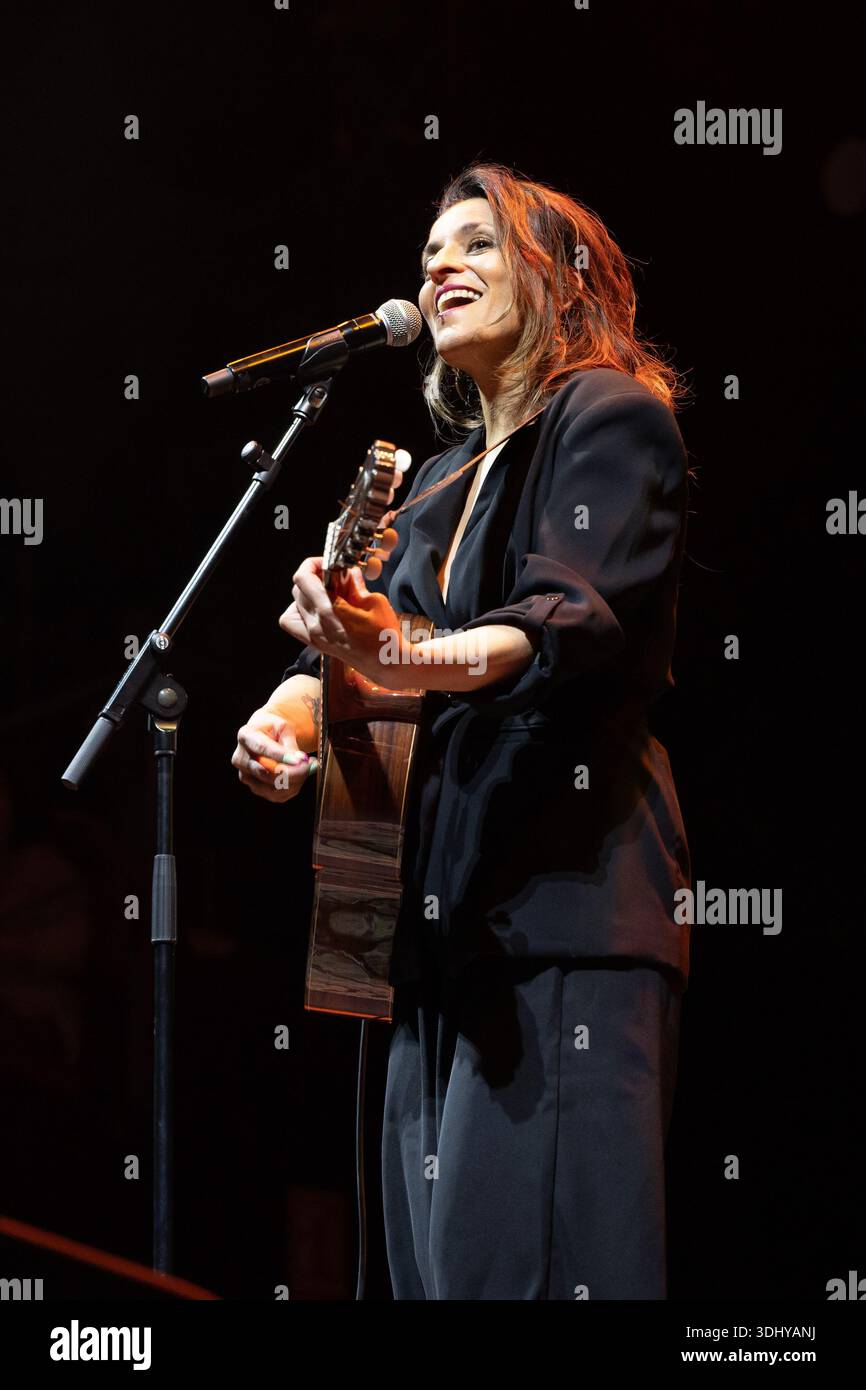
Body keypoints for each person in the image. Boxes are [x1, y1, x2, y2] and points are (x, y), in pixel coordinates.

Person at [232, 162, 692, 1300]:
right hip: (426, 944)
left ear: (556, 280)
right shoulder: (431, 482)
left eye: (478, 244)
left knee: (531, 1272)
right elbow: (344, 659)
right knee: (437, 1276)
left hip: (554, 913)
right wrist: (283, 718)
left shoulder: (608, 415)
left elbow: (555, 621)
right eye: (431, 250)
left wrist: (399, 654)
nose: (441, 264)